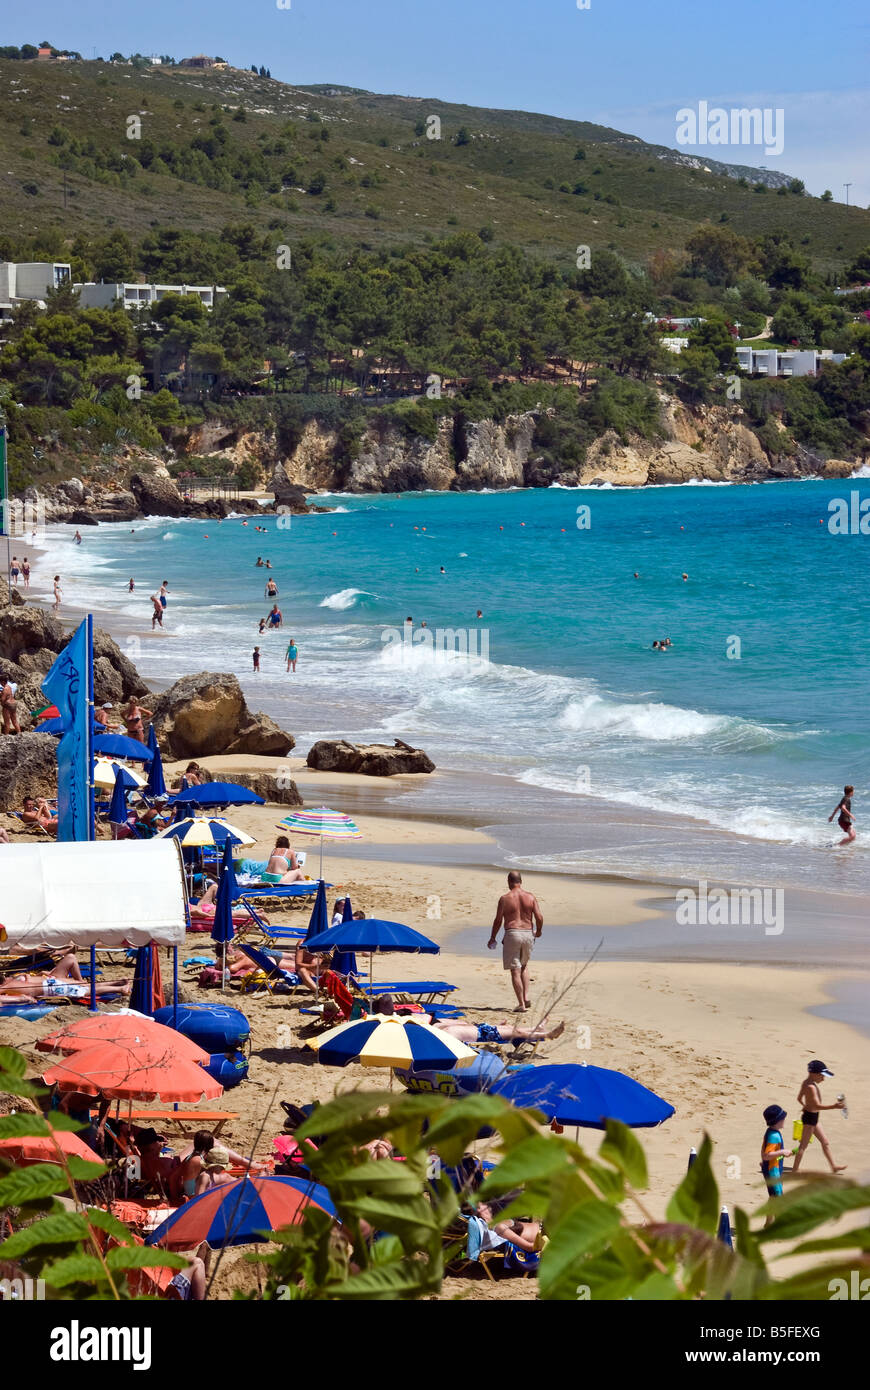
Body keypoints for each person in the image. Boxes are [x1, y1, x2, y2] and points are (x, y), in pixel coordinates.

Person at [487, 871, 543, 1010]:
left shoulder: (505, 898)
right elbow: (539, 917)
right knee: (524, 966)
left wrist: (493, 937)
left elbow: (498, 920)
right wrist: (539, 931)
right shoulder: (530, 897)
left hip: (512, 933)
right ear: (521, 881)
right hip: (528, 933)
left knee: (515, 970)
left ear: (509, 881)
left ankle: (521, 1004)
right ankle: (526, 996)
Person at [791, 1060, 846, 1173]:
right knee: (803, 1146)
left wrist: (805, 1106)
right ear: (814, 1074)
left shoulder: (806, 1083)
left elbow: (799, 1098)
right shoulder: (811, 1087)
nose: (823, 1079)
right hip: (810, 1119)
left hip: (812, 1117)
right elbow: (817, 1105)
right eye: (822, 1076)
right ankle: (795, 1170)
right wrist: (834, 1106)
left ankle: (833, 1167)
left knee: (825, 1142)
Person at [760, 1104, 790, 1221]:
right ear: (777, 1121)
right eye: (783, 1118)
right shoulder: (774, 1136)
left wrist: (782, 1155)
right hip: (773, 1171)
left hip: (772, 1168)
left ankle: (768, 1222)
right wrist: (782, 1151)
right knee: (778, 1196)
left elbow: (766, 1154)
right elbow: (766, 1155)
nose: (784, 1120)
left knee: (773, 1196)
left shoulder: (770, 1132)